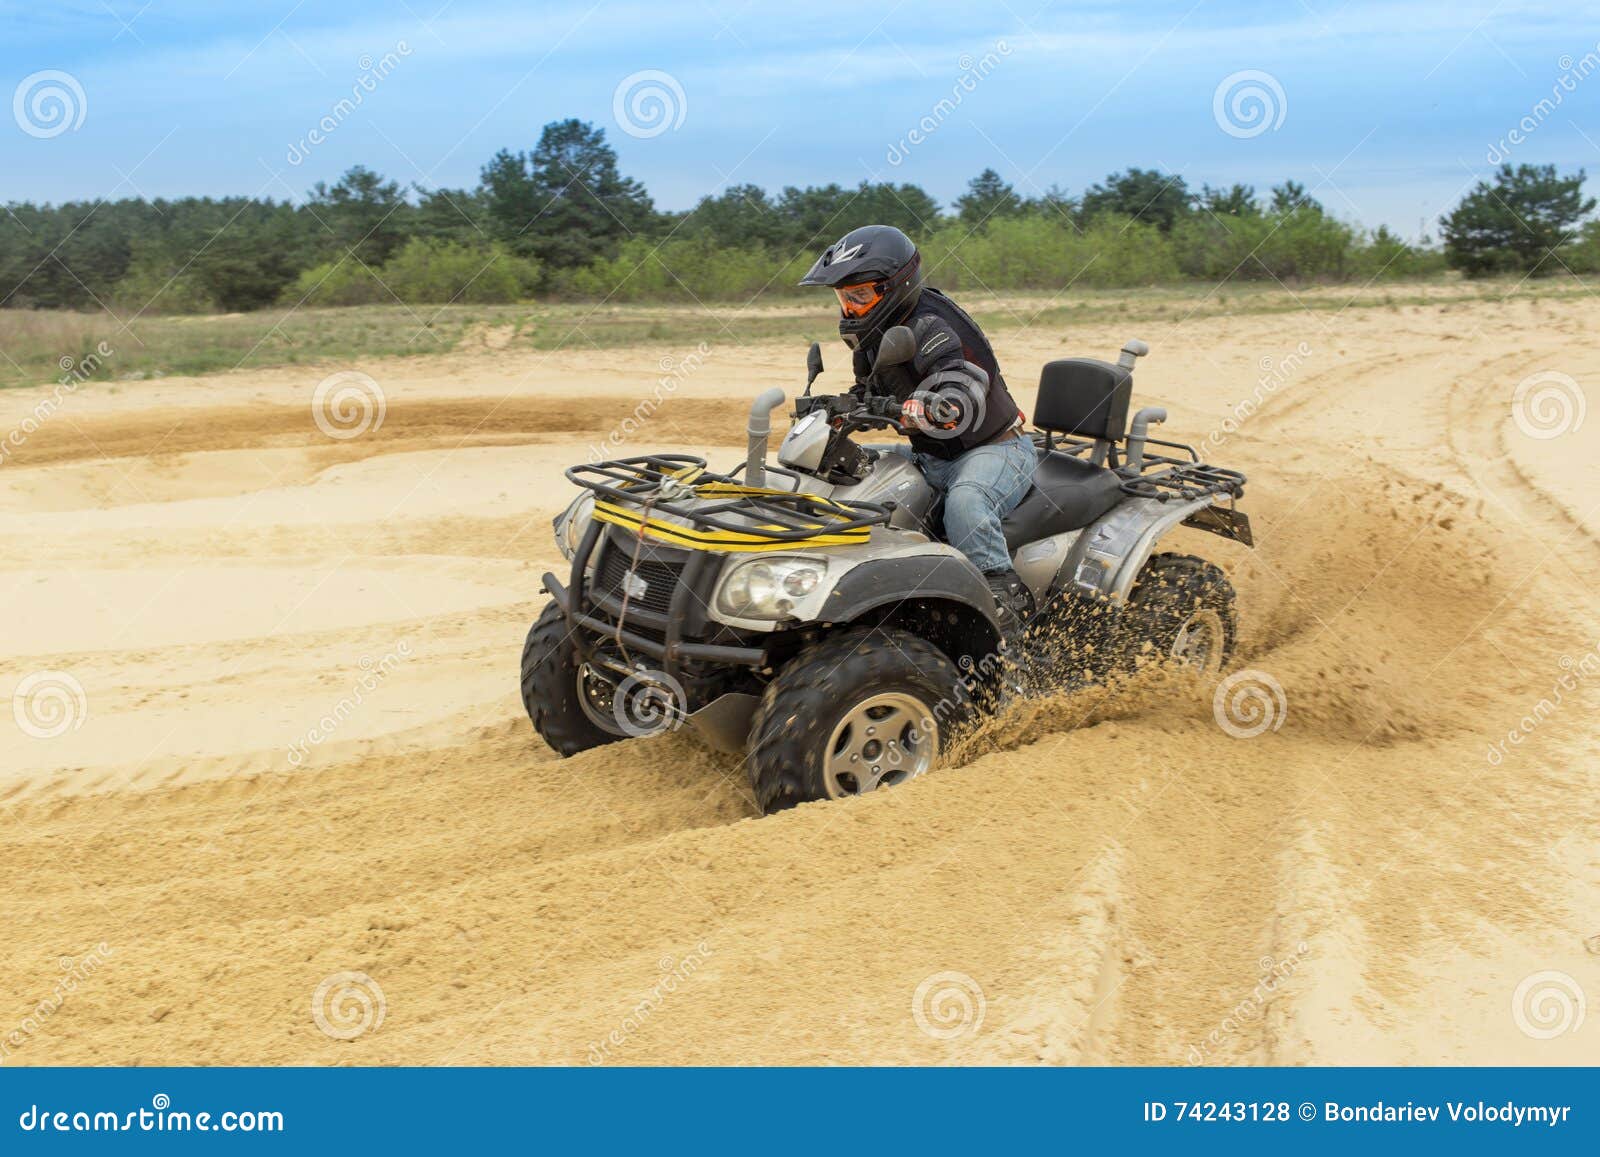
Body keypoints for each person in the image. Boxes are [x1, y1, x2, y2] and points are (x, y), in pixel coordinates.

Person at [799, 224, 1038, 631]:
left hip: (995, 450)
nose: (851, 308)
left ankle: (1004, 609)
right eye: (844, 297)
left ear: (896, 286)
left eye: (860, 296)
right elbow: (867, 389)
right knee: (853, 471)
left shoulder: (932, 325)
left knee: (966, 503)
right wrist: (837, 408)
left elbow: (964, 376)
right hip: (931, 454)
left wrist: (942, 403)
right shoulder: (873, 335)